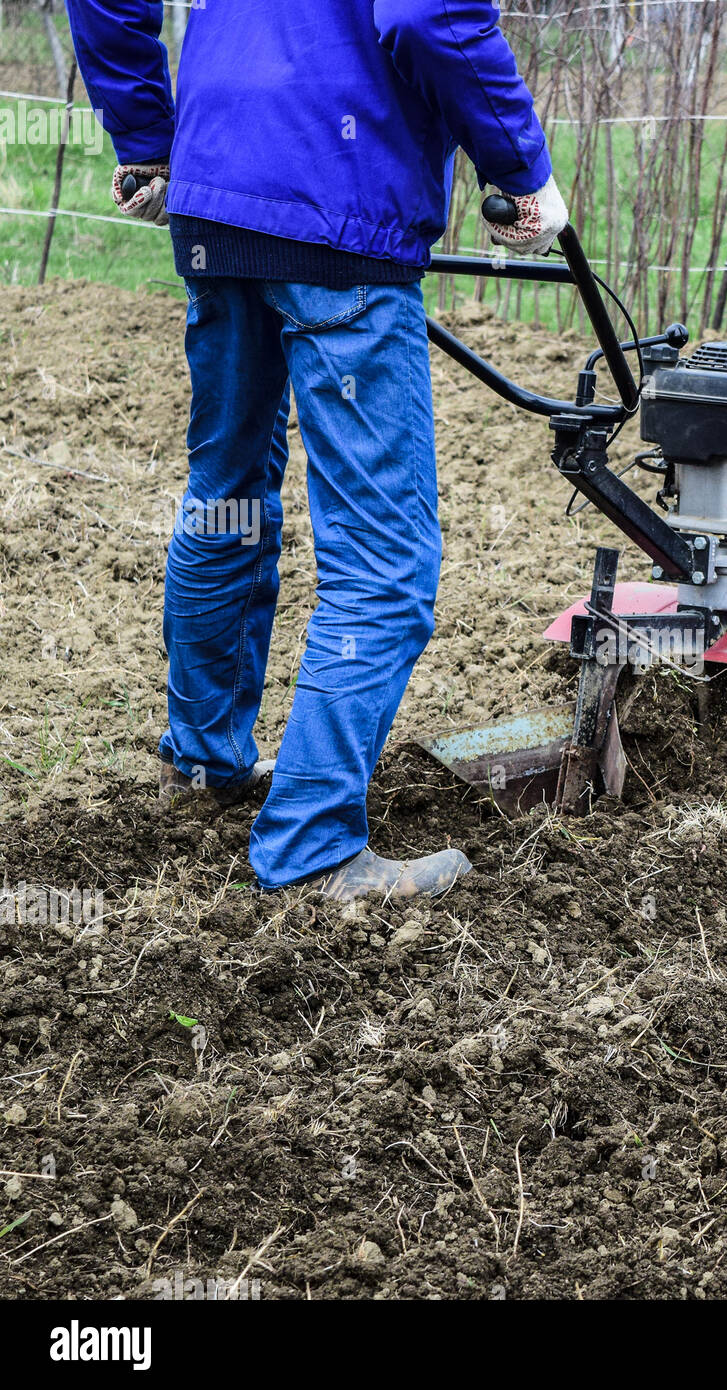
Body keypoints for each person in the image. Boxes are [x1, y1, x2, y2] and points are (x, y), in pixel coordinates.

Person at [64, 1, 568, 901]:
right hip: (338, 195)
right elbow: (427, 14)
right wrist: (518, 166)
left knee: (227, 491)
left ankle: (203, 764)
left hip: (217, 186)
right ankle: (312, 845)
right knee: (384, 560)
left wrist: (147, 136)